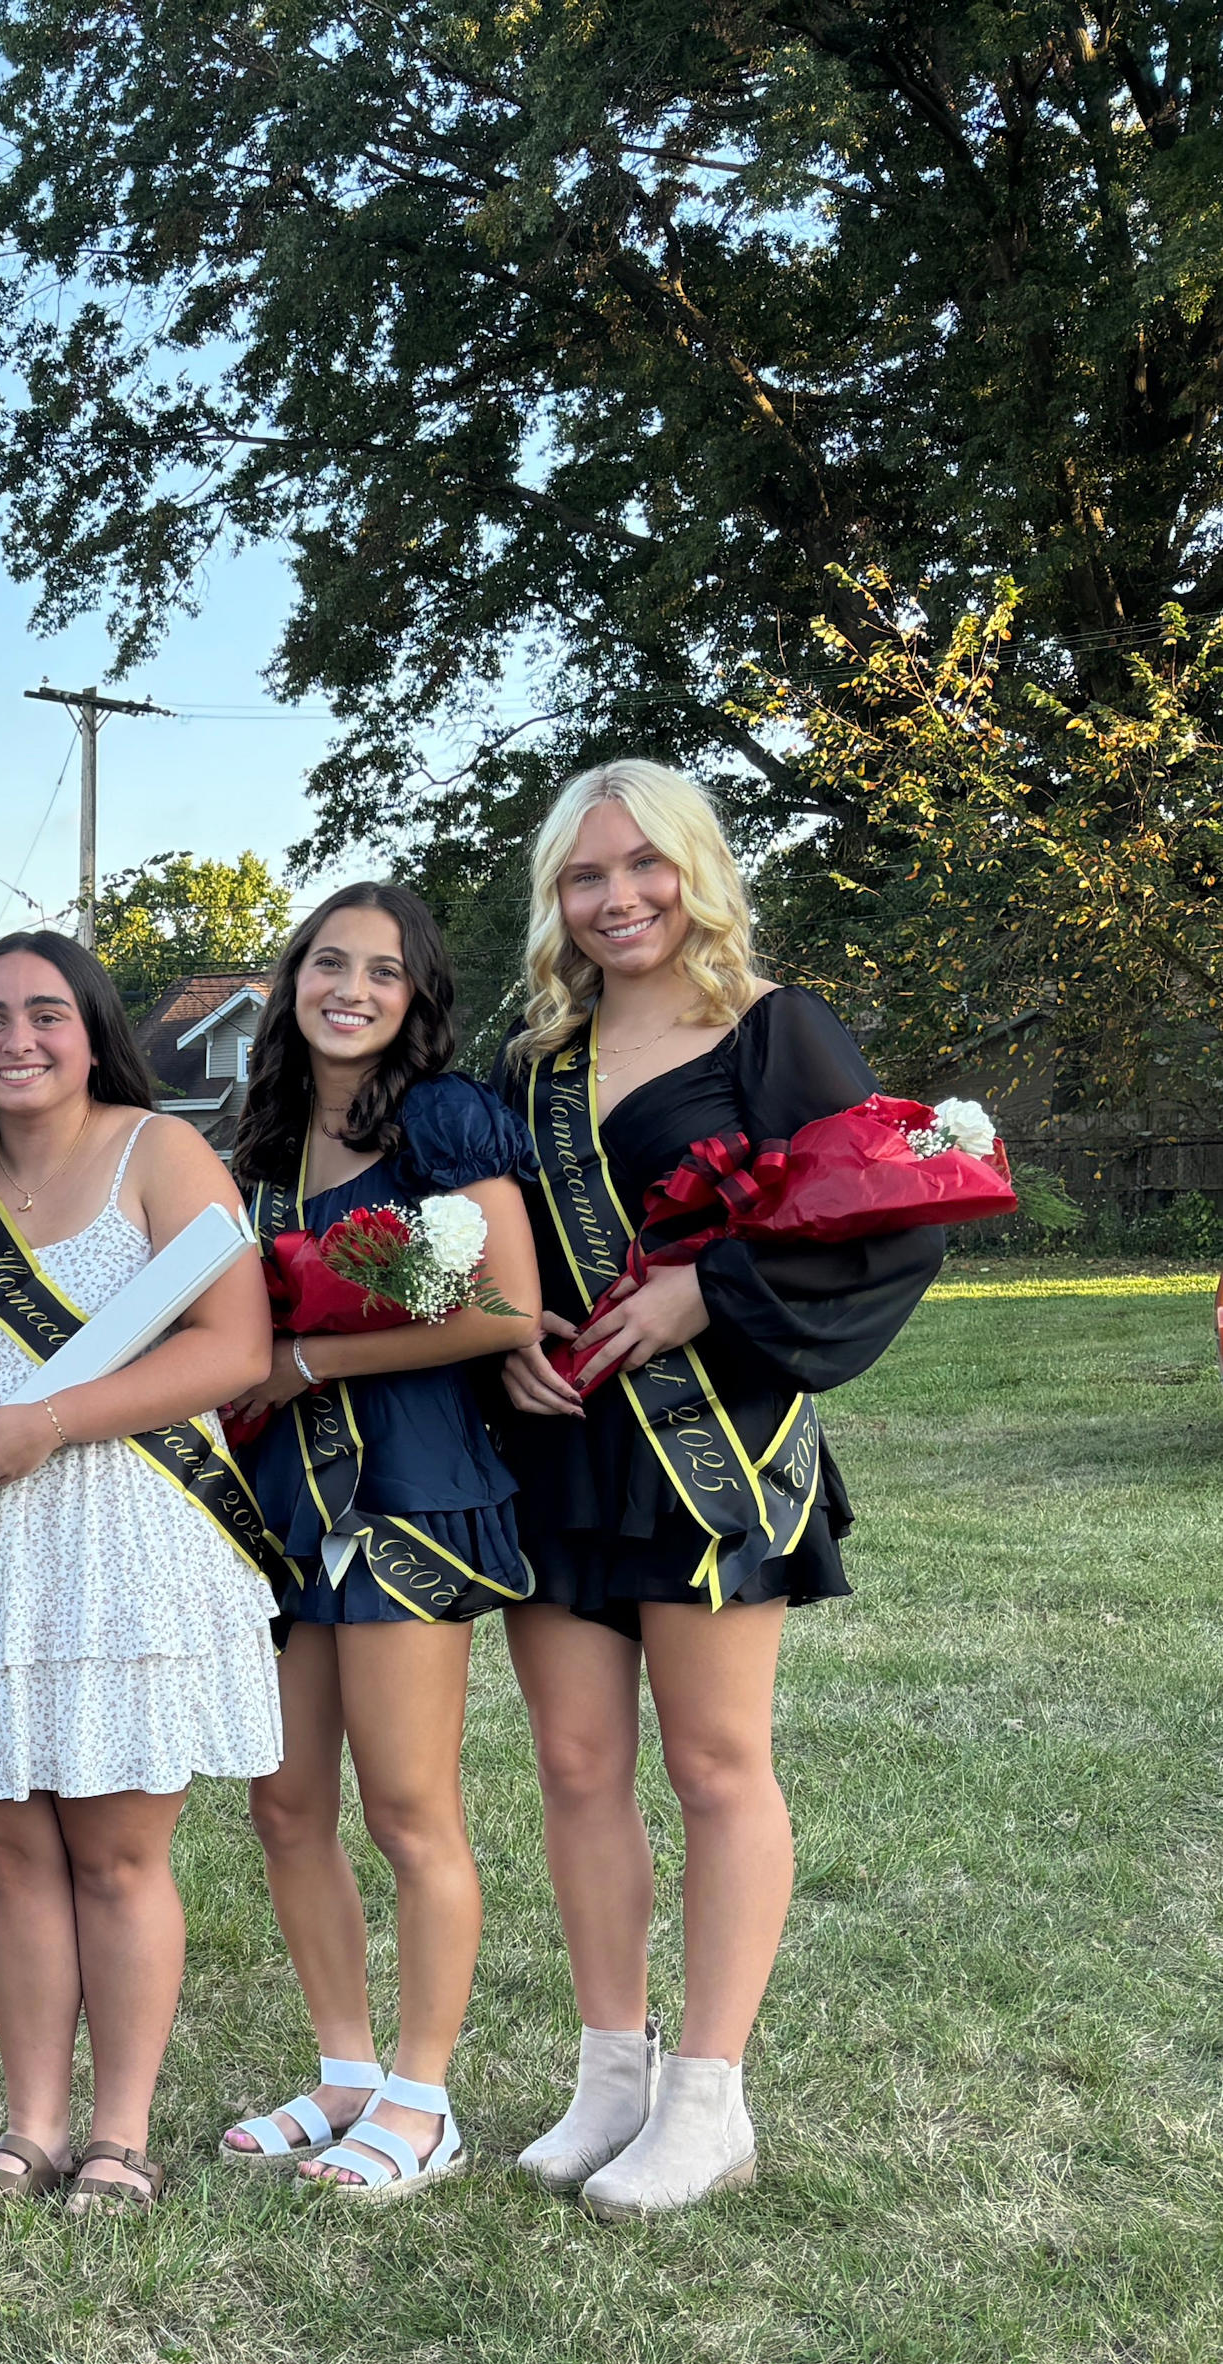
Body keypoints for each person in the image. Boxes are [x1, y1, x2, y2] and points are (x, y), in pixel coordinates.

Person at [489, 760, 943, 2218]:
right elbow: (491, 1251)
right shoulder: (529, 1064)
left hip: (714, 1449)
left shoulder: (773, 1033)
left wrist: (709, 1291)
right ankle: (609, 2075)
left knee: (714, 1765)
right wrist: (502, 1344)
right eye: (584, 876)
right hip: (564, 1444)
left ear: (695, 870)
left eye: (643, 866)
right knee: (573, 1766)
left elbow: (888, 1222)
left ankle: (708, 2097)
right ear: (555, 899)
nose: (617, 898)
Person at [0, 932, 279, 2215]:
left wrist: (57, 1418)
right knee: (5, 1853)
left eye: (44, 1014)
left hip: (124, 1523)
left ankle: (118, 2135)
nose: (15, 1040)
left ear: (92, 1030)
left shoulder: (162, 1152)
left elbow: (233, 1345)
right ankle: (28, 2124)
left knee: (117, 1851)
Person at [210, 885, 543, 2200]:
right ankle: (344, 2073)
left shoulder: (446, 1116)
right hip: (281, 1501)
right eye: (327, 962)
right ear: (293, 978)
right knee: (284, 1803)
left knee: (408, 1809)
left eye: (382, 970)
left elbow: (506, 1308)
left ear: (416, 997)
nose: (349, 986)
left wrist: (305, 1357)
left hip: (405, 1487)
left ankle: (423, 2096)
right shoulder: (265, 1139)